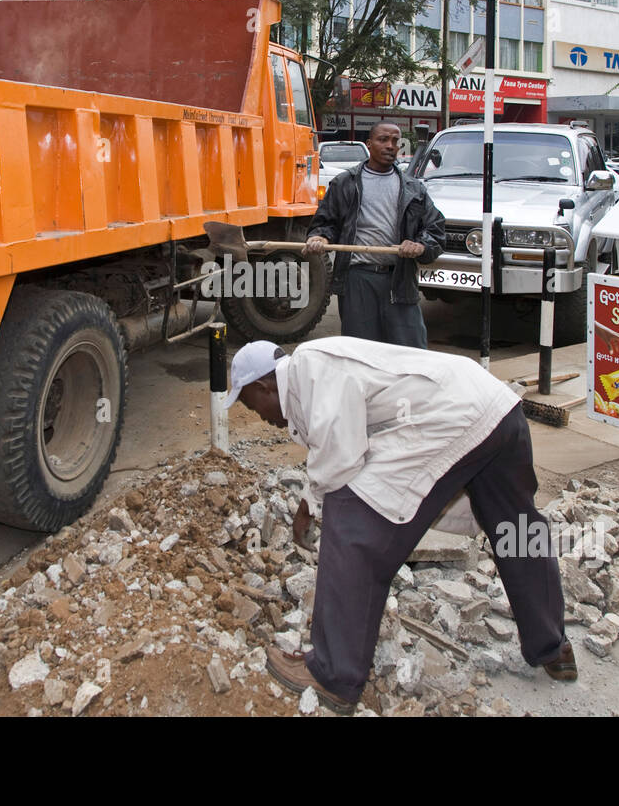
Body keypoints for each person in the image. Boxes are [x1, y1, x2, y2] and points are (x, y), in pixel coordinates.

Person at [226, 336, 574, 713]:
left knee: (354, 523)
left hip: (454, 417)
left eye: (250, 404)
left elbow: (341, 460)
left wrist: (314, 502)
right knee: (518, 529)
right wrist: (309, 501)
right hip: (497, 408)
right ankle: (553, 646)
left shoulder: (310, 366)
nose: (257, 416)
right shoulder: (314, 373)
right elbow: (341, 440)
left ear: (263, 386)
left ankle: (333, 675)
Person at [305, 122, 444, 348]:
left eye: (395, 141)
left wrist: (421, 245)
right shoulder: (345, 183)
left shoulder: (413, 187)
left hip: (399, 279)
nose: (390, 146)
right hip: (358, 278)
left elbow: (435, 228)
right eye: (383, 140)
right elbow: (325, 222)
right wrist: (320, 237)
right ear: (369, 144)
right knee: (361, 353)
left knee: (411, 352)